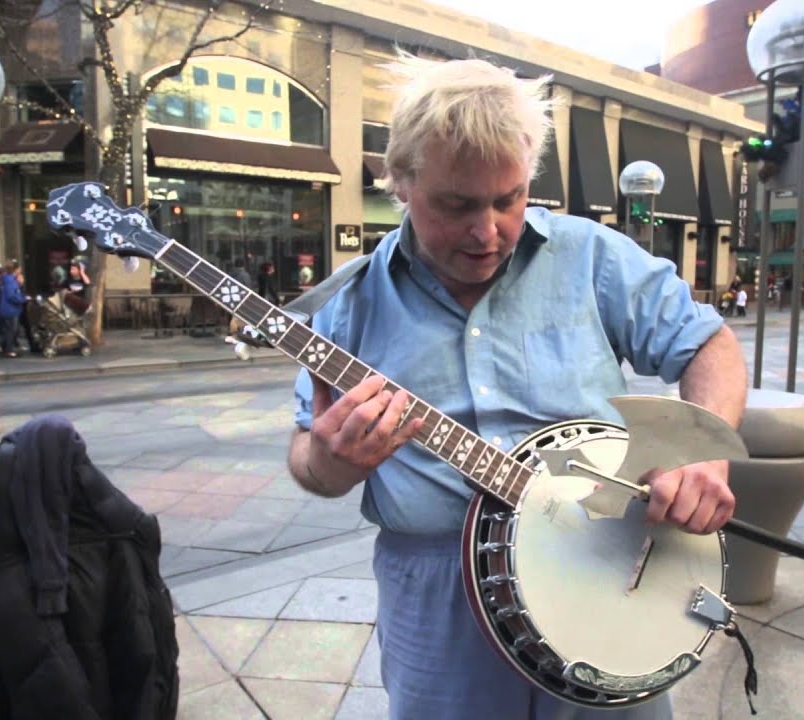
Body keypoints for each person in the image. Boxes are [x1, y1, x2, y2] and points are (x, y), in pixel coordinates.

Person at [286, 55, 746, 720]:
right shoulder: (350, 303)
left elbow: (710, 345)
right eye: (457, 204)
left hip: (606, 557)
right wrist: (331, 461)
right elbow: (309, 462)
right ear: (401, 183)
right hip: (439, 603)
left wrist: (699, 450)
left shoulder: (591, 256)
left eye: (508, 199)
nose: (487, 231)